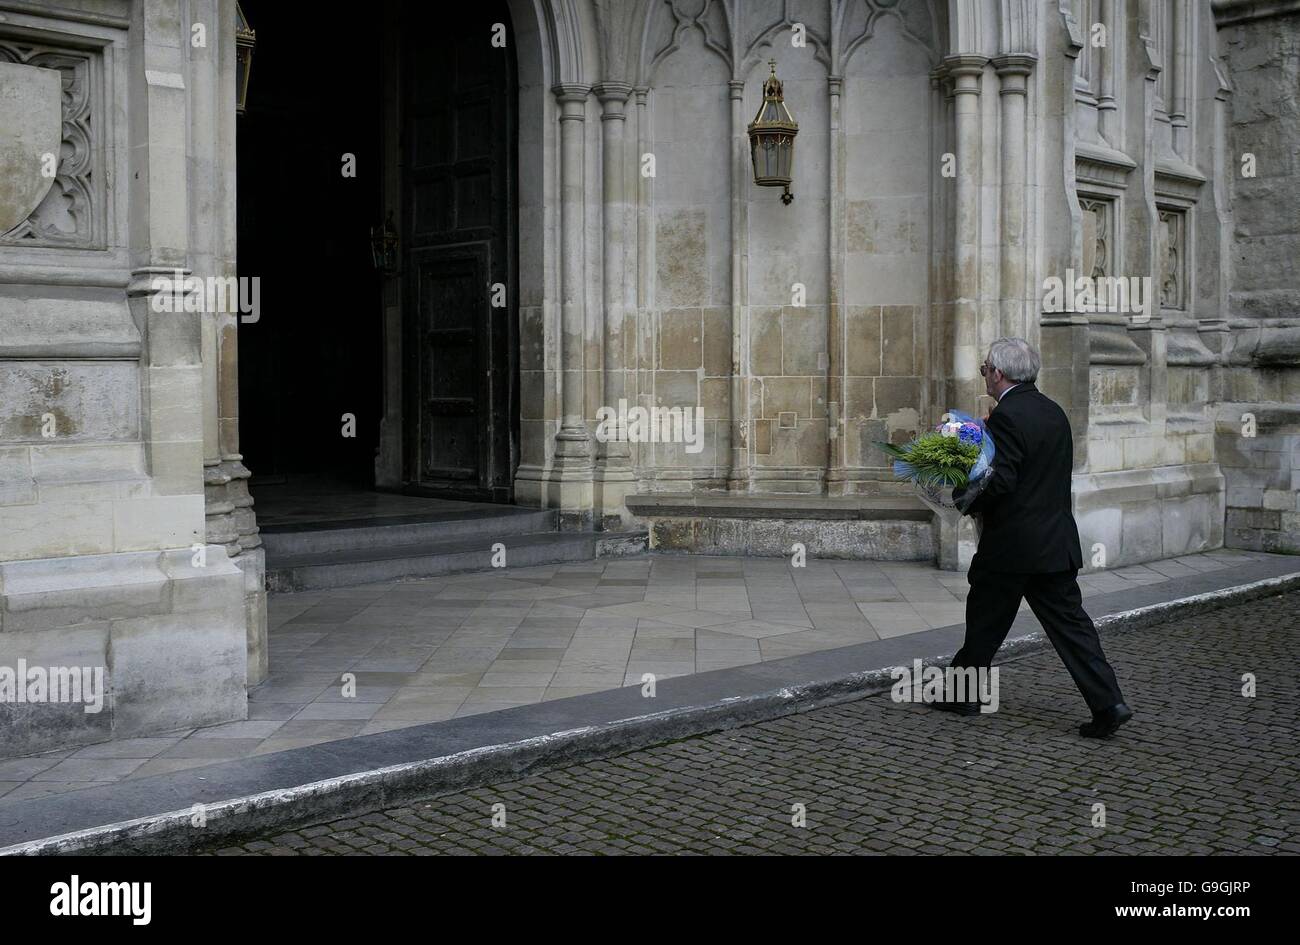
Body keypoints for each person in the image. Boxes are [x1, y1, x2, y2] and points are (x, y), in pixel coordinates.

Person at [936, 338, 1132, 738]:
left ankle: (964, 693)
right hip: (1054, 543)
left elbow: (1003, 480)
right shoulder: (1053, 411)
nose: (985, 376)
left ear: (999, 373)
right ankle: (1109, 702)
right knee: (1071, 628)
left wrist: (965, 496)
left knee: (986, 620)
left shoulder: (1009, 416)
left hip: (1012, 547)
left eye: (985, 369)